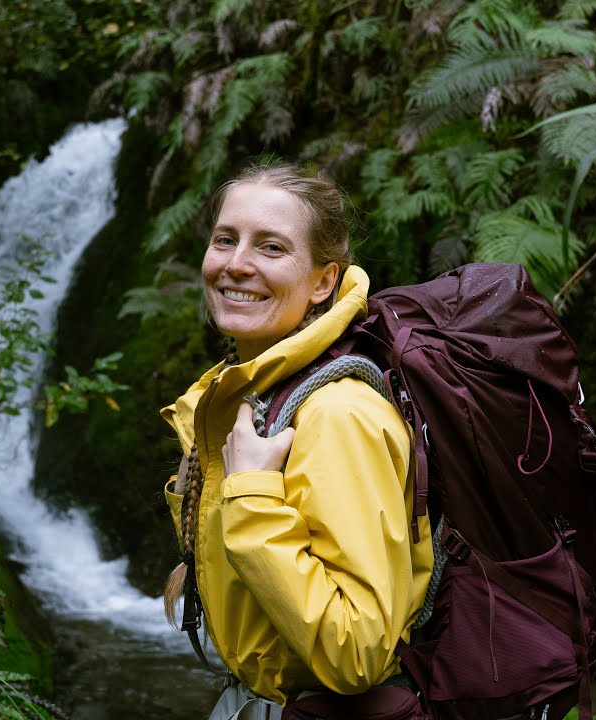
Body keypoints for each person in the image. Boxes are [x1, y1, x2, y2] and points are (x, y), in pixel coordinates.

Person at [160, 164, 434, 719]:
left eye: (272, 248)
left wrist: (252, 497)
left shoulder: (340, 414)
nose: (237, 264)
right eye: (225, 239)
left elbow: (357, 653)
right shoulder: (248, 393)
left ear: (323, 281)